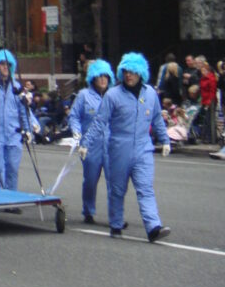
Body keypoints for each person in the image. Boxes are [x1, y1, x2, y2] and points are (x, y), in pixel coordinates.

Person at [80, 52, 171, 242]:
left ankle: (153, 226)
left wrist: (165, 140)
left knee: (145, 189)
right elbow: (99, 122)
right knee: (117, 190)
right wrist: (86, 143)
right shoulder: (113, 95)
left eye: (133, 71)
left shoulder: (150, 94)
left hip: (143, 148)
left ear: (141, 73)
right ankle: (116, 224)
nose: (129, 75)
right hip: (119, 149)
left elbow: (157, 119)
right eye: (125, 71)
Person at [68, 58, 114, 224]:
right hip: (90, 146)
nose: (103, 79)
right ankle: (88, 210)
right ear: (93, 78)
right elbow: (74, 116)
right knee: (90, 180)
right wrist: (77, 133)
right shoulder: (84, 96)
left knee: (114, 182)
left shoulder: (113, 96)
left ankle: (116, 216)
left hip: (111, 145)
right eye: (99, 76)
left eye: (106, 76)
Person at [0, 49, 33, 191]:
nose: (6, 67)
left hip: (13, 134)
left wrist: (28, 131)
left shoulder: (17, 88)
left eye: (8, 64)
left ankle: (12, 199)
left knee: (12, 169)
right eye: (2, 64)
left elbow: (23, 111)